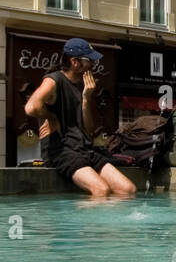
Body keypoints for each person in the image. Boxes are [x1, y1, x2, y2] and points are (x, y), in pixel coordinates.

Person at [25, 39, 135, 197]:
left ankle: (104, 220)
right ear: (74, 62)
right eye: (89, 60)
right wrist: (51, 117)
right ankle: (77, 220)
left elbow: (89, 129)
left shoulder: (84, 85)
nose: (93, 65)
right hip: (62, 151)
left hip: (85, 148)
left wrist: (86, 98)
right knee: (101, 190)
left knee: (128, 190)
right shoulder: (54, 80)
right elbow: (31, 107)